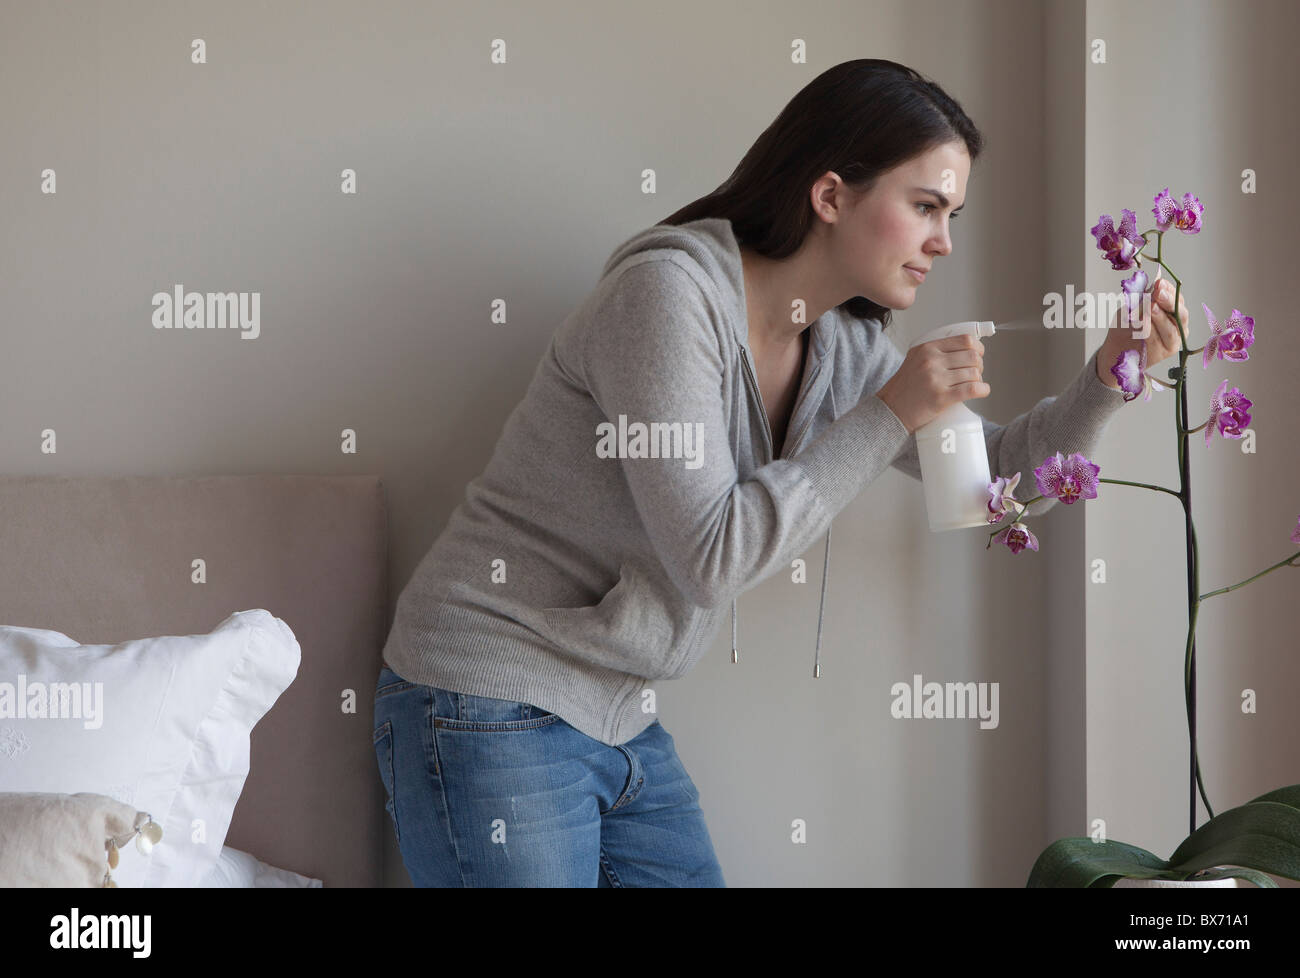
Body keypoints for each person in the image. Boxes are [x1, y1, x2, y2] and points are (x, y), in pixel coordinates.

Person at [372, 58, 1189, 888]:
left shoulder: (840, 347)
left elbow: (998, 481)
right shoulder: (667, 297)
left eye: (952, 214)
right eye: (926, 207)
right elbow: (709, 555)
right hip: (486, 698)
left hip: (619, 715)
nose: (945, 241)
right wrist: (889, 413)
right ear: (830, 196)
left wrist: (1110, 377)